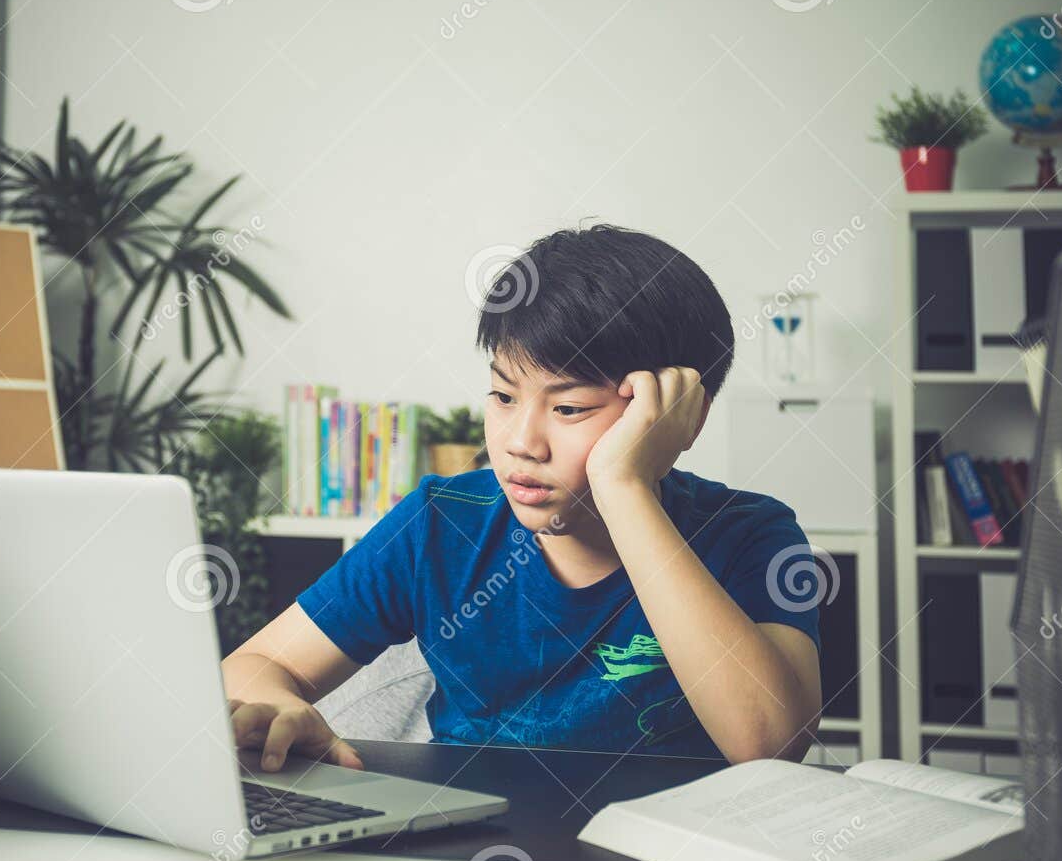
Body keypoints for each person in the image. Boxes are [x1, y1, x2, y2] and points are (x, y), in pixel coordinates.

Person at [221, 224, 823, 771]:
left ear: (679, 417)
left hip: (668, 847)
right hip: (466, 836)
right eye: (503, 397)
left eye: (570, 408)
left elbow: (768, 743)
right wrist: (276, 702)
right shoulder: (443, 523)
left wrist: (624, 487)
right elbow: (257, 666)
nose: (520, 443)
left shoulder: (750, 532)